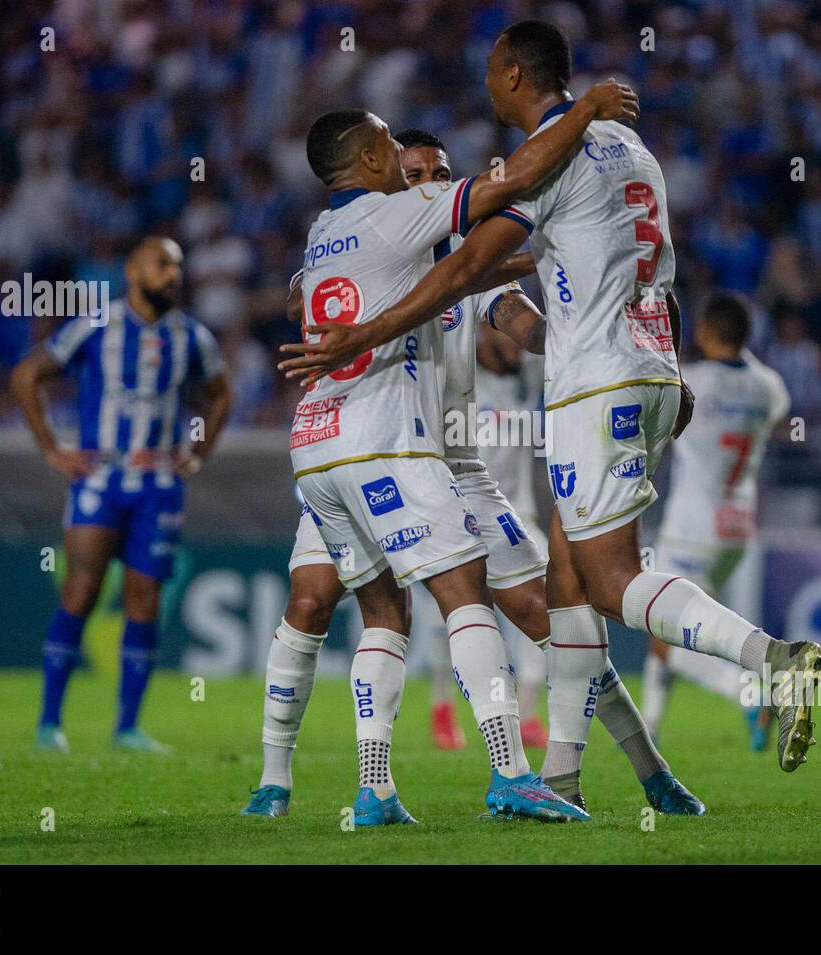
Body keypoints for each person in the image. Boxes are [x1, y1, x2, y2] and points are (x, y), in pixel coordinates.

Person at [280, 20, 821, 775]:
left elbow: (466, 268)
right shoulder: (632, 149)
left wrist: (363, 330)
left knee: (609, 580)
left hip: (592, 385)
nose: (484, 84)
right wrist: (669, 369)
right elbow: (643, 264)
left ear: (512, 74)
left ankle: (772, 658)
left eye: (489, 70)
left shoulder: (549, 157)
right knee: (565, 583)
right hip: (649, 366)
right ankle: (563, 776)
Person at [246, 124, 700, 820]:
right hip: (384, 448)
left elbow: (528, 327)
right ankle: (280, 779)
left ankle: (649, 767)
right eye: (415, 172)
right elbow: (304, 293)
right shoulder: (395, 236)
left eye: (440, 172)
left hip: (446, 465)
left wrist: (602, 334)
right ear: (389, 175)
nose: (430, 183)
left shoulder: (462, 262)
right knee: (315, 602)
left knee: (547, 618)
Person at [10, 237, 231, 753]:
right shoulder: (95, 325)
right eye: (162, 264)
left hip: (158, 486)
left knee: (145, 600)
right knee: (81, 591)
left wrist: (197, 453)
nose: (173, 275)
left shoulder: (191, 336)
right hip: (100, 480)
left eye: (178, 266)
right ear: (133, 270)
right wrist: (53, 449)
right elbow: (26, 375)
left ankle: (127, 728)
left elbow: (221, 394)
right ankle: (49, 724)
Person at [642, 293, 789, 751]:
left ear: (705, 331)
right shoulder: (769, 385)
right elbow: (778, 410)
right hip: (737, 529)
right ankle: (649, 727)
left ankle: (749, 695)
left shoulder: (692, 381)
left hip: (691, 529)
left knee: (667, 632)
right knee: (668, 630)